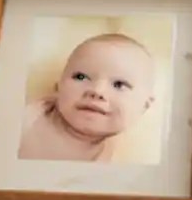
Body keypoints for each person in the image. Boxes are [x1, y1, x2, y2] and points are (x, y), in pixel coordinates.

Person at [18, 32, 155, 163]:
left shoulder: (121, 159)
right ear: (58, 86)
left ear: (144, 106)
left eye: (119, 85)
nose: (97, 91)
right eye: (81, 77)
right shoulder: (28, 116)